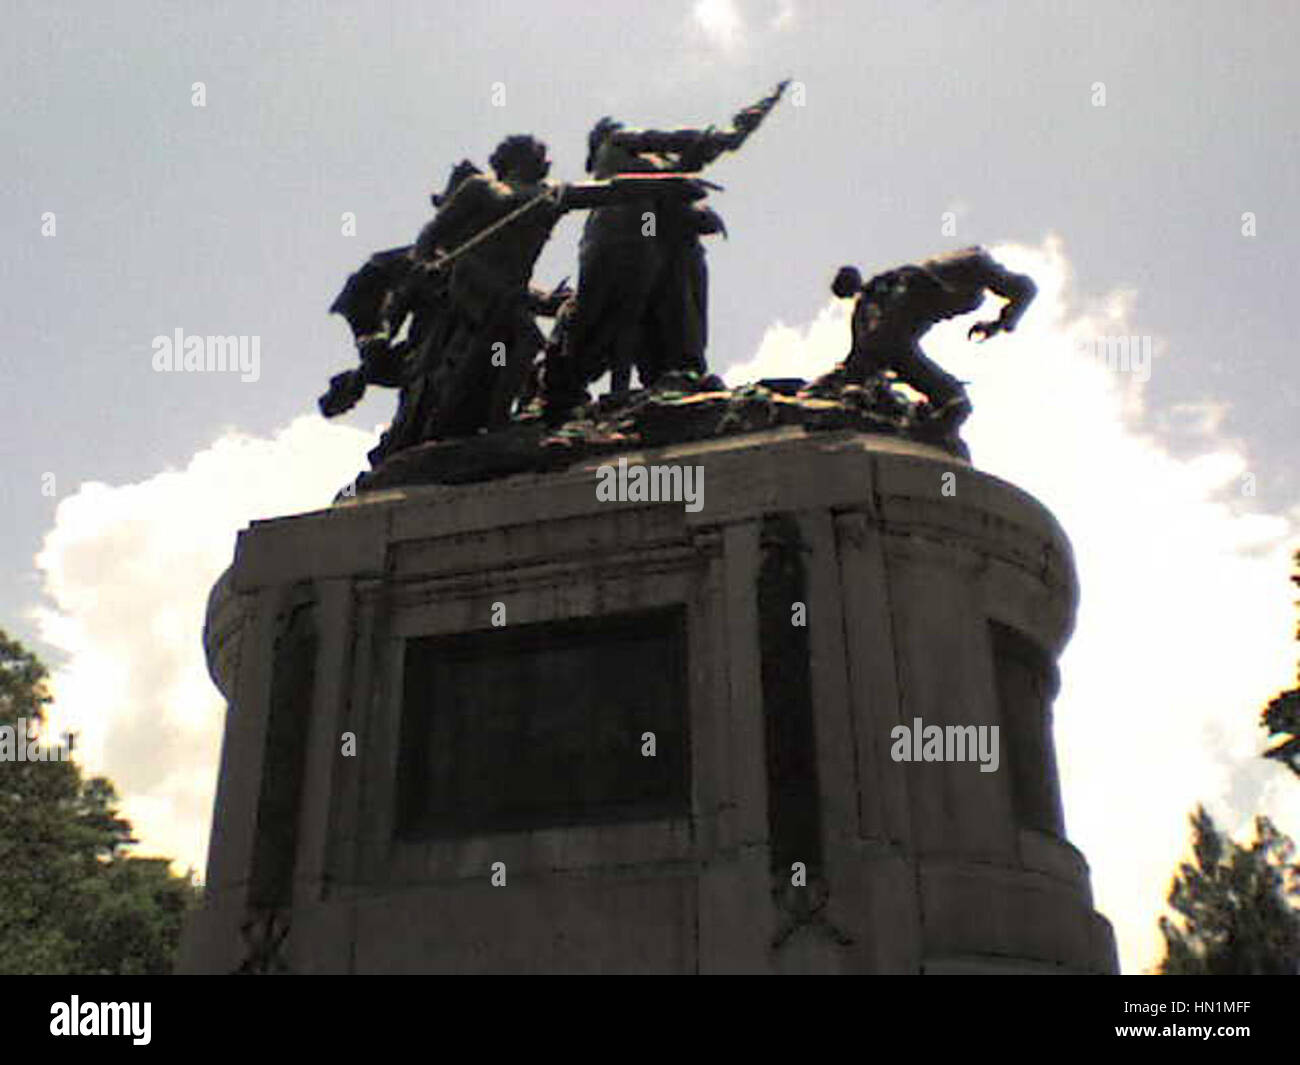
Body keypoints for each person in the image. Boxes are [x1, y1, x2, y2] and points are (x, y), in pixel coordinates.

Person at [817, 246, 1037, 431]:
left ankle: (948, 399)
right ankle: (946, 398)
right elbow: (865, 343)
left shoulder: (976, 266)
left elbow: (1026, 290)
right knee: (888, 348)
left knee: (890, 348)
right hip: (916, 292)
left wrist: (1000, 323)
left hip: (917, 294)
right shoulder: (874, 299)